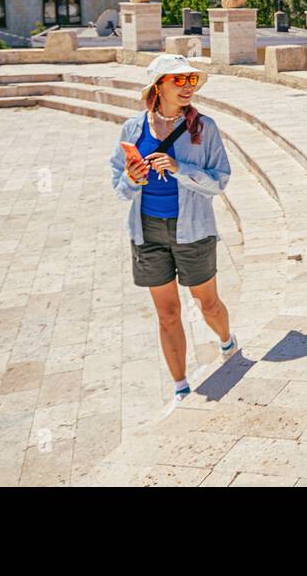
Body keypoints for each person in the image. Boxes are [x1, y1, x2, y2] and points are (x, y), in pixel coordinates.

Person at [109, 54, 237, 402]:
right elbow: (119, 186)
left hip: (193, 230)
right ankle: (181, 386)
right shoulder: (132, 129)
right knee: (167, 314)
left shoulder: (204, 129)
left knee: (207, 304)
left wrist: (179, 168)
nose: (187, 87)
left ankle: (226, 340)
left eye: (191, 81)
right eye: (178, 80)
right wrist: (132, 179)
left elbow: (220, 181)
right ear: (158, 86)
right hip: (147, 231)